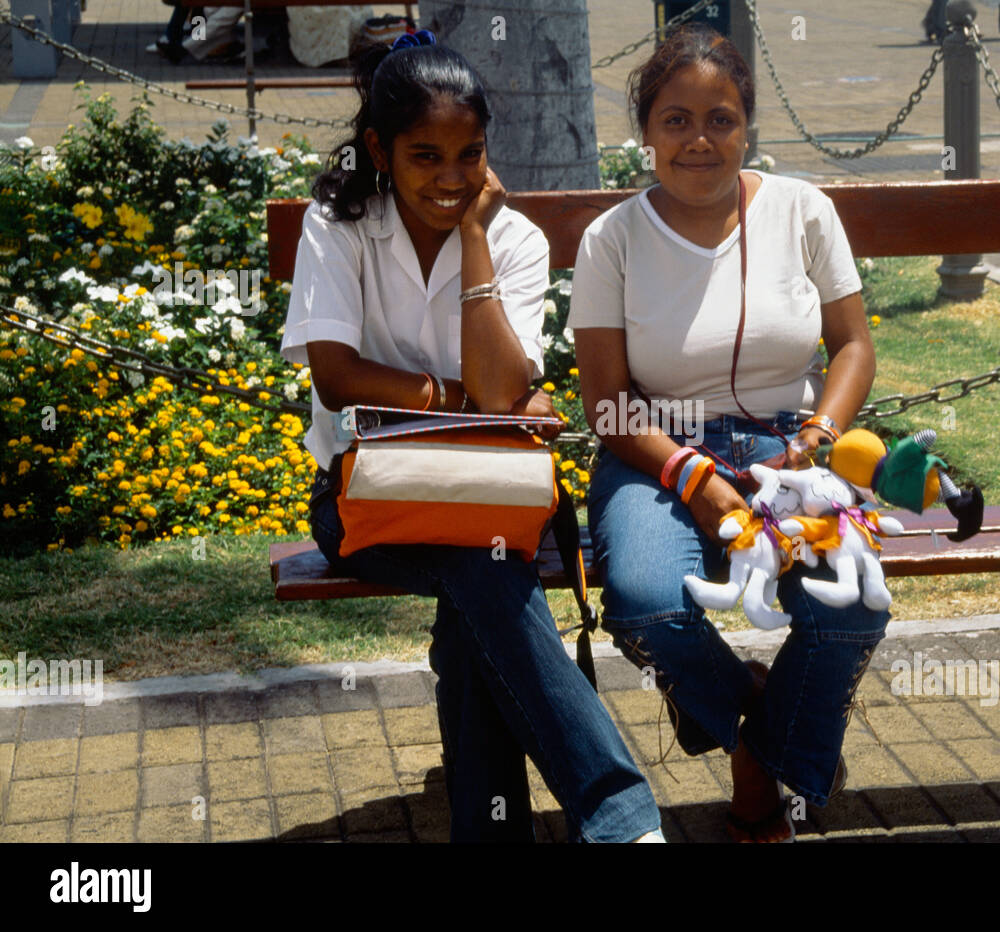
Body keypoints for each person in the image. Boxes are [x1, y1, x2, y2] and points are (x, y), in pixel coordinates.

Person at [281, 30, 663, 843]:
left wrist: (477, 242)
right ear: (380, 150)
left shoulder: (514, 240)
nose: (450, 180)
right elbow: (338, 378)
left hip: (485, 497)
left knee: (475, 589)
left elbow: (502, 390)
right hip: (365, 503)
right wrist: (462, 401)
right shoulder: (338, 225)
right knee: (483, 571)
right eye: (426, 157)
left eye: (469, 155)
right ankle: (622, 819)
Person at [569, 24, 887, 844]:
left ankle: (759, 752)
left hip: (791, 452)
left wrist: (817, 437)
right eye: (675, 120)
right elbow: (604, 404)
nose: (699, 139)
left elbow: (853, 345)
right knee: (643, 604)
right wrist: (690, 477)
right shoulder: (614, 238)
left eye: (721, 119)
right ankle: (764, 745)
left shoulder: (802, 210)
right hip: (655, 449)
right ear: (645, 133)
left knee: (848, 603)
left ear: (747, 127)